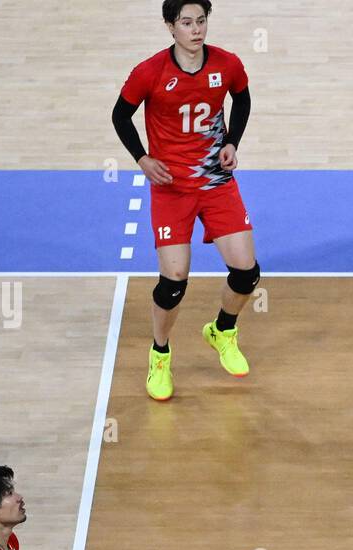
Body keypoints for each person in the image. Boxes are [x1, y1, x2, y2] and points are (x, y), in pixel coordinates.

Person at [113, 0, 259, 399]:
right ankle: (160, 354)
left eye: (201, 22)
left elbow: (242, 99)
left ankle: (222, 330)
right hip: (171, 187)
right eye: (186, 23)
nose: (196, 30)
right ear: (170, 27)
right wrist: (142, 158)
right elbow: (120, 116)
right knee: (173, 282)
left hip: (215, 180)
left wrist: (232, 142)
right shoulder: (149, 73)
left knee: (247, 273)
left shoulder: (227, 64)